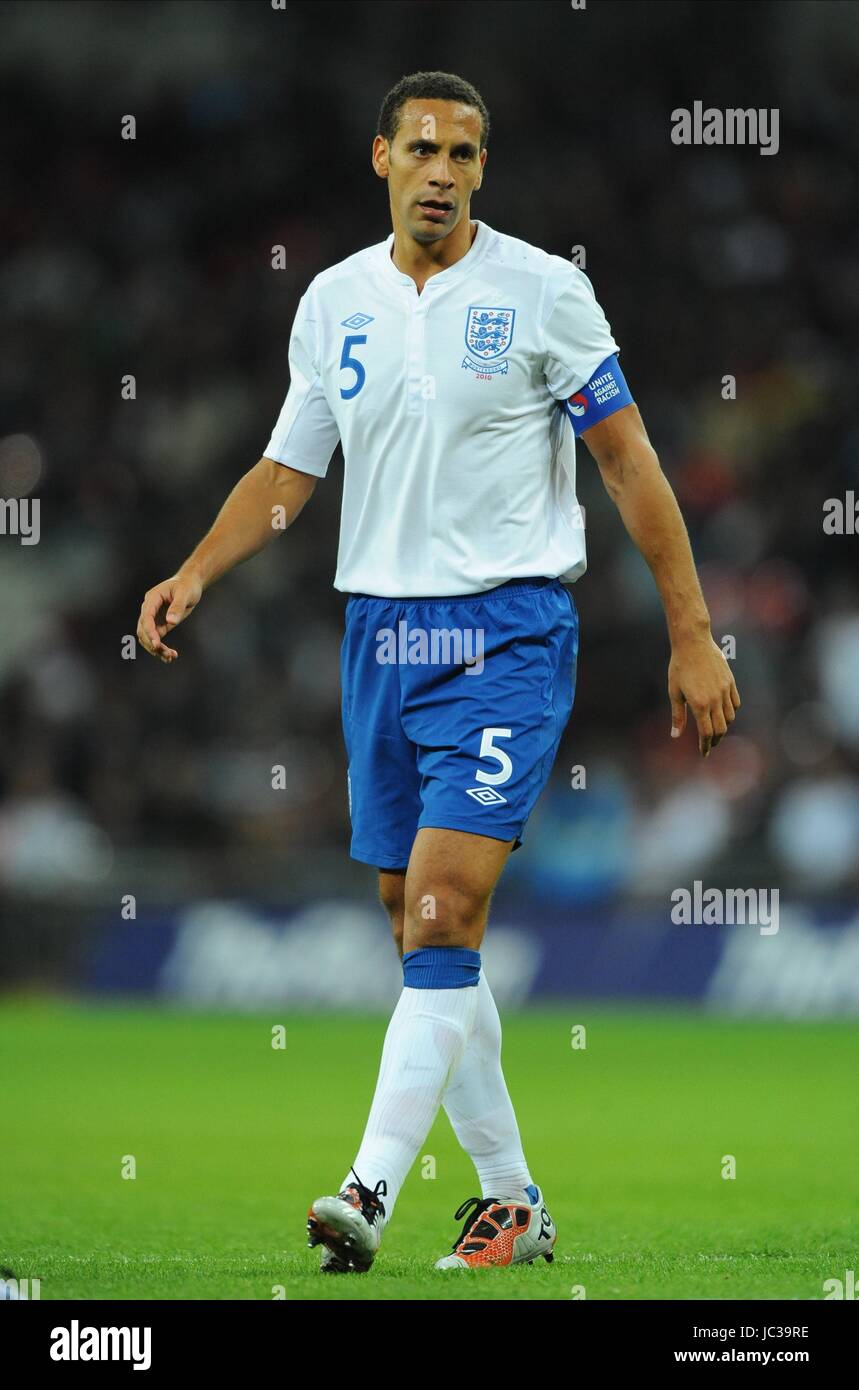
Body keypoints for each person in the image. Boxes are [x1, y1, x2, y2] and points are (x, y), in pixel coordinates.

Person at [137, 70, 740, 1273]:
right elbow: (288, 474)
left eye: (464, 155)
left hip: (505, 633)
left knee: (443, 903)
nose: (443, 172)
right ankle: (510, 1198)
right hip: (381, 639)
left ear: (481, 170)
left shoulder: (542, 292)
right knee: (420, 937)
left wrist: (690, 630)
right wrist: (198, 568)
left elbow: (626, 464)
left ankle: (365, 1190)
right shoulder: (333, 302)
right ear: (380, 159)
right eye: (422, 149)